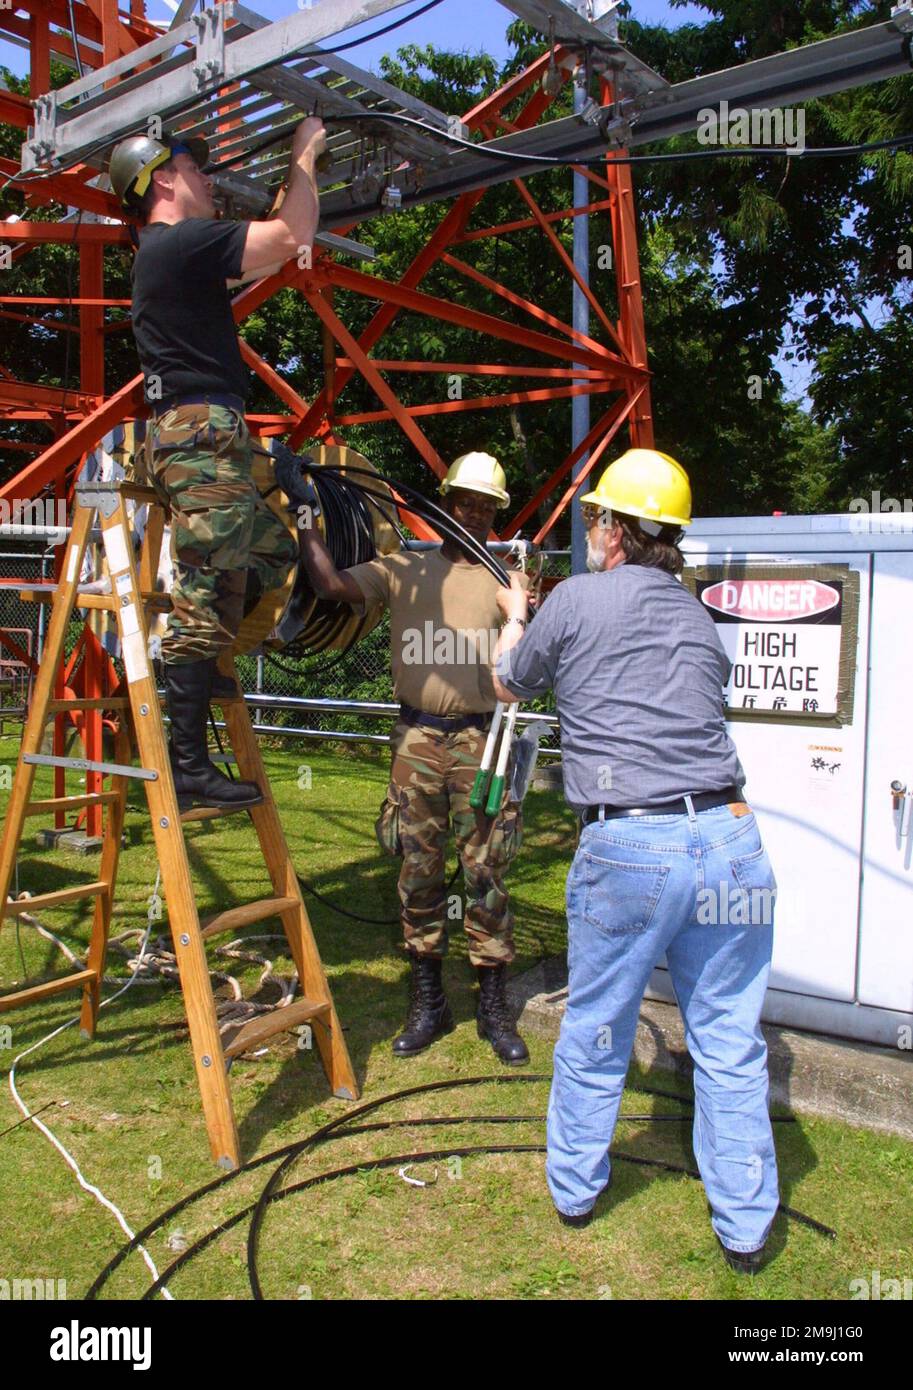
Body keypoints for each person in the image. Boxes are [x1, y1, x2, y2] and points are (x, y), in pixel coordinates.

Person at [491, 447, 779, 1275]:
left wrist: (517, 612)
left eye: (595, 520)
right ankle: (746, 1227)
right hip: (730, 838)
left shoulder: (575, 599)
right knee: (727, 1039)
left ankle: (576, 1190)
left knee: (596, 1025)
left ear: (614, 529)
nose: (591, 533)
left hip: (630, 849)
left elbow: (509, 683)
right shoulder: (694, 615)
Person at [107, 121, 326, 809]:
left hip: (202, 432)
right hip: (200, 434)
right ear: (162, 181)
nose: (209, 180)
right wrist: (303, 156)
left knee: (266, 555)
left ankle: (204, 674)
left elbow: (277, 244)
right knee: (205, 594)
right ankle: (187, 765)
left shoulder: (172, 251)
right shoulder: (177, 242)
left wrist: (294, 213)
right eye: (194, 170)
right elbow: (285, 236)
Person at [295, 452, 530, 1064]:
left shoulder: (506, 584)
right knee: (417, 872)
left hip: (483, 744)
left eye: (486, 506)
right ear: (445, 502)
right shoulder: (401, 569)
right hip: (417, 741)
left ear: (494, 513)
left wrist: (522, 608)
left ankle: (493, 1006)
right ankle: (429, 1001)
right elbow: (333, 586)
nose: (473, 513)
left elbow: (528, 662)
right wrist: (304, 517)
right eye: (465, 501)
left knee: (487, 873)